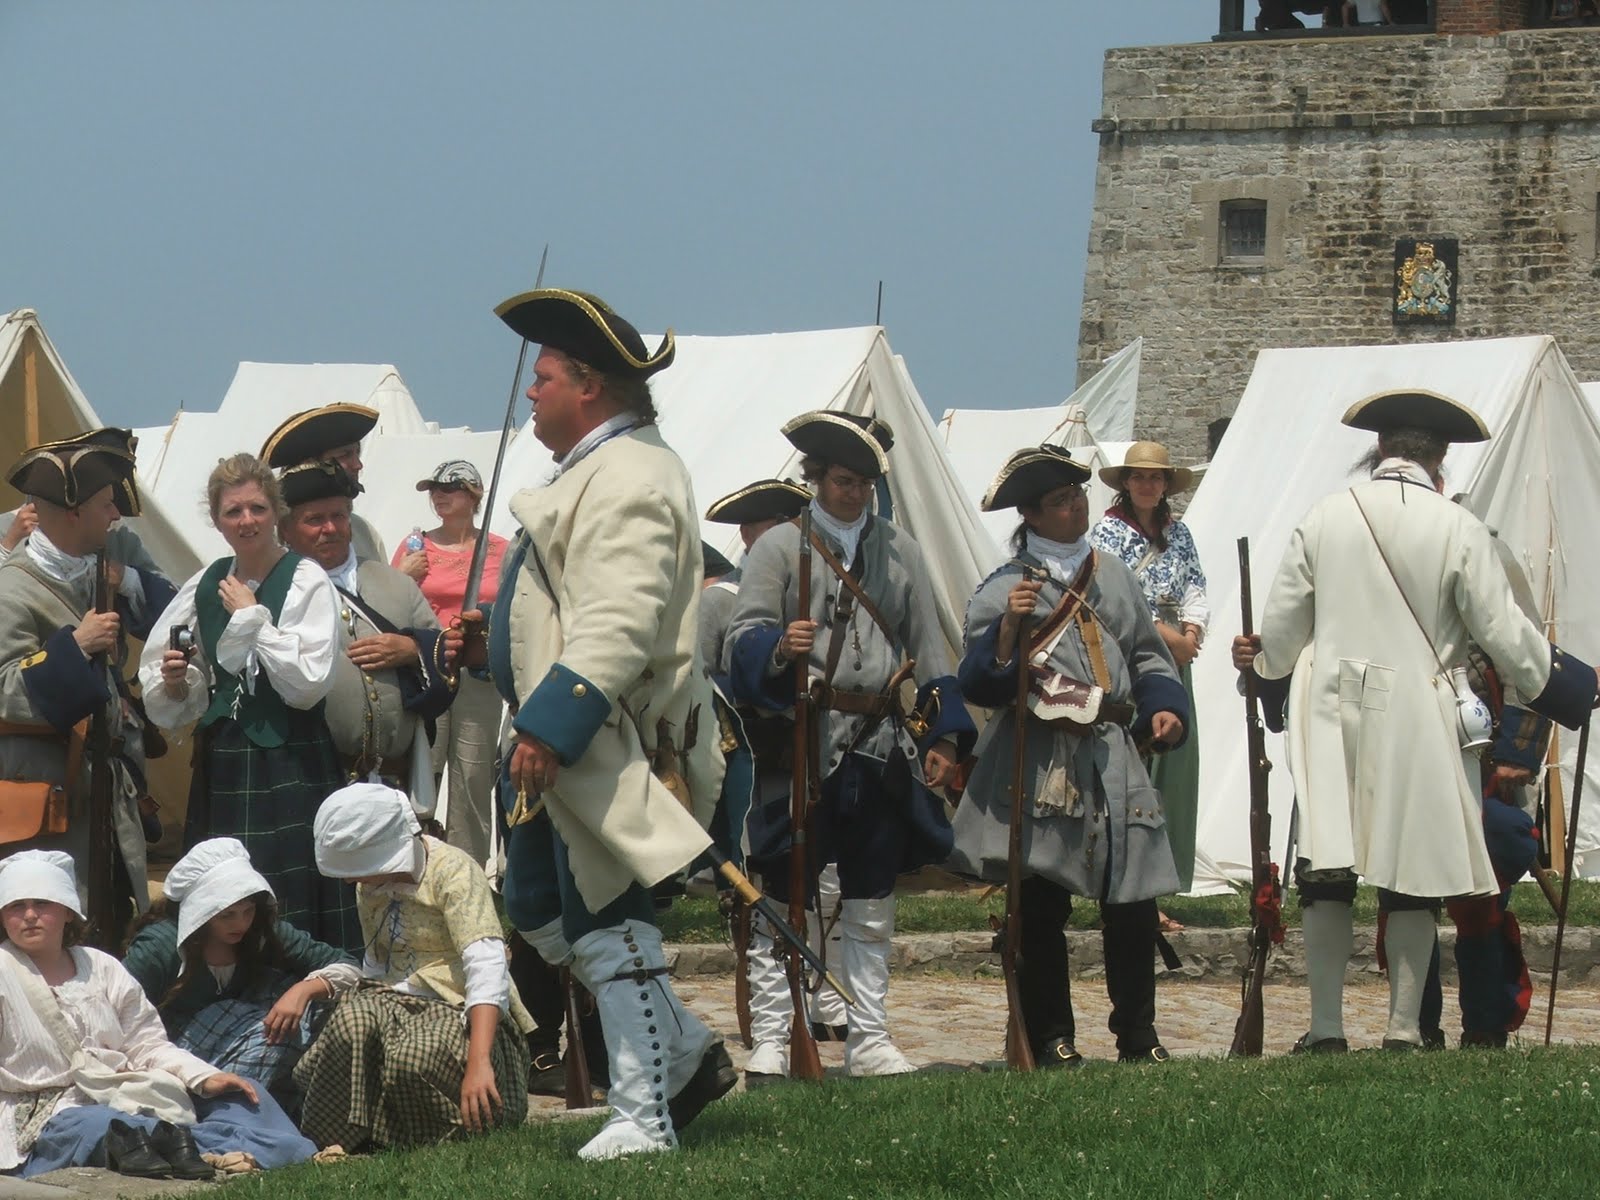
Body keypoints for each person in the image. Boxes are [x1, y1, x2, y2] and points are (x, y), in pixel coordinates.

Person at [1231, 389, 1599, 1051]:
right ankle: (1403, 1031)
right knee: (1414, 872)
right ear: (1440, 461)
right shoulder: (1458, 528)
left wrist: (1264, 676)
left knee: (1325, 874)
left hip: (1330, 708)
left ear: (1379, 449)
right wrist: (1573, 686)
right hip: (1419, 710)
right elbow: (1505, 634)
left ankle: (1326, 1030)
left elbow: (1280, 640)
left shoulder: (1323, 517)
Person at [466, 287, 733, 1160]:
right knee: (541, 913)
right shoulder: (598, 469)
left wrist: (549, 725)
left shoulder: (633, 476)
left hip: (601, 740)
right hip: (562, 742)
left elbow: (619, 621)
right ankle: (684, 1053)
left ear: (590, 385)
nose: (530, 392)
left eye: (543, 377)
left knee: (609, 923)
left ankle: (645, 1114)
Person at [725, 410, 976, 1079]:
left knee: (869, 900)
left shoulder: (901, 552)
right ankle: (775, 1037)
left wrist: (946, 735)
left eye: (863, 481)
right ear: (816, 477)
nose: (852, 492)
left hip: (877, 743)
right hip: (799, 744)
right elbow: (739, 639)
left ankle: (869, 1037)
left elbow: (929, 647)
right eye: (841, 479)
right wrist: (782, 646)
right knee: (783, 897)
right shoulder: (779, 548)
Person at [950, 445, 1188, 1066]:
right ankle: (1052, 1036)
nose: (1076, 507)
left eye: (1078, 495)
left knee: (1133, 902)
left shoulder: (1114, 575)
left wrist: (1166, 706)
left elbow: (1146, 656)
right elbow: (977, 680)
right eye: (1060, 501)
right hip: (1041, 759)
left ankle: (1139, 1036)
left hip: (1113, 753)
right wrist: (1007, 629)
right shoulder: (1001, 588)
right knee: (1042, 904)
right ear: (1029, 514)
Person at [138, 454, 360, 954]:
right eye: (233, 511)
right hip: (226, 757)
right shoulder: (205, 583)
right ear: (216, 520)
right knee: (224, 888)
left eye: (257, 508)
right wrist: (178, 679)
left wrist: (255, 618)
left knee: (293, 887)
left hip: (293, 755)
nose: (246, 521)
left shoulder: (306, 578)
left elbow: (307, 682)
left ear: (276, 513)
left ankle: (310, 993)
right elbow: (176, 684)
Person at [0, 850, 313, 1179]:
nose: (30, 915)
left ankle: (272, 1149)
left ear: (66, 911)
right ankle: (216, 1148)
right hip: (54, 1115)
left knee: (243, 1093)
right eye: (16, 906)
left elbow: (146, 1043)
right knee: (103, 1126)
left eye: (42, 903)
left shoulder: (101, 966)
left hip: (123, 1089)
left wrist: (202, 1076)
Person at [293, 782, 533, 1150]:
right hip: (395, 999)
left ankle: (440, 1134)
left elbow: (486, 968)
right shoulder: (368, 888)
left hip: (458, 1008)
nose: (351, 880)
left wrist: (479, 1061)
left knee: (413, 1056)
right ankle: (342, 1140)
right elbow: (375, 964)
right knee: (350, 1023)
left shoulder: (453, 872)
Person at [0, 430, 153, 928]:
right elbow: (4, 689)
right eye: (106, 504)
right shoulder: (10, 588)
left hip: (103, 793)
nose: (115, 515)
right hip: (47, 800)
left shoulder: (98, 575)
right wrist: (75, 647)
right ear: (73, 514)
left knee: (107, 931)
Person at [122, 838, 361, 1108]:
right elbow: (119, 1012)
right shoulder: (160, 947)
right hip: (176, 1061)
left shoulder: (262, 934)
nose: (241, 923)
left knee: (314, 1009)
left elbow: (349, 967)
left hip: (252, 1050)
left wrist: (302, 991)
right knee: (268, 1031)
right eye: (228, 915)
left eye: (248, 911)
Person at [278, 460, 457, 816]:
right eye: (314, 519)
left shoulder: (395, 583)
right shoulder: (276, 591)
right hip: (314, 780)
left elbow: (446, 652)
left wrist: (411, 649)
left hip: (395, 781)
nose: (330, 528)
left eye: (339, 516)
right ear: (285, 529)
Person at [1090, 441, 1207, 902]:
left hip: (1178, 655)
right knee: (1140, 767)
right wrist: (1167, 638)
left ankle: (1168, 882)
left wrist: (1192, 633)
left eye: (1155, 477)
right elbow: (1116, 600)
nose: (1147, 484)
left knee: (1176, 768)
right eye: (1139, 477)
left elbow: (1196, 583)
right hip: (1133, 657)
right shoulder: (1107, 534)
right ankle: (1135, 884)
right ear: (1125, 484)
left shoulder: (1179, 534)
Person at [392, 459, 508, 865]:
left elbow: (514, 609)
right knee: (423, 772)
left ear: (474, 495)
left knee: (473, 778)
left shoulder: (501, 550)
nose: (439, 493)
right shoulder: (414, 547)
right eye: (434, 487)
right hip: (430, 669)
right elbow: (390, 606)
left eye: (450, 487)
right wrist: (406, 574)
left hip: (479, 673)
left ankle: (470, 874)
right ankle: (413, 869)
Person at [259, 404, 387, 562]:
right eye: (345, 455)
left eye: (356, 453)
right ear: (309, 463)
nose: (358, 465)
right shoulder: (261, 537)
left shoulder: (364, 532)